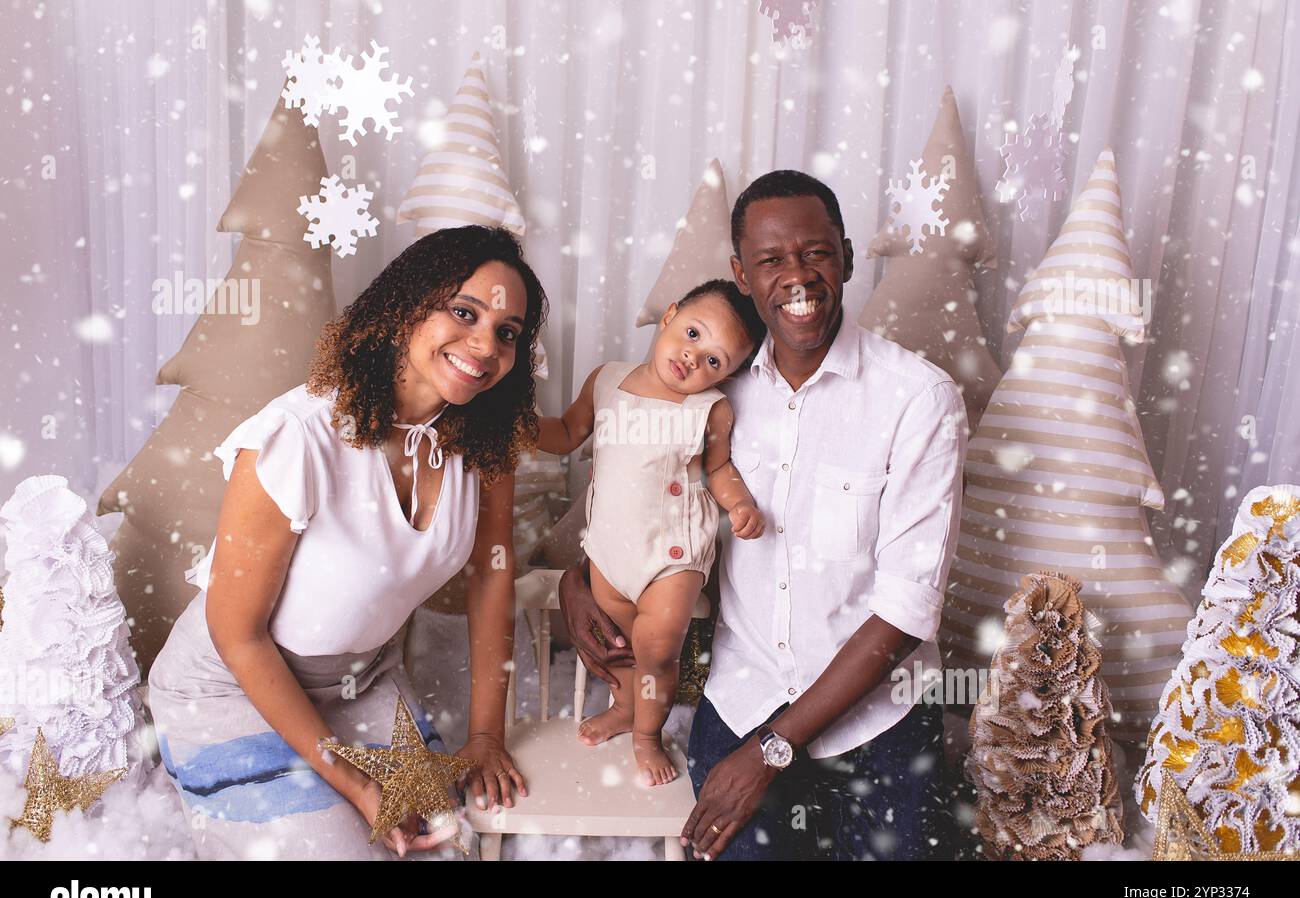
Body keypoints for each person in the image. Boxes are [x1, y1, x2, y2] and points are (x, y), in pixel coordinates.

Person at [559, 171, 967, 860]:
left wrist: (774, 749)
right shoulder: (714, 392)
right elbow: (643, 507)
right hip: (743, 699)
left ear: (845, 256)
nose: (797, 277)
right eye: (771, 260)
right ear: (740, 274)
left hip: (879, 721)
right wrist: (579, 580)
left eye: (816, 253)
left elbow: (905, 612)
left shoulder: (917, 399)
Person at [148, 226, 544, 859]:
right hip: (234, 683)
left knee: (444, 848)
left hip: (361, 681)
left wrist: (486, 734)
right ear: (406, 305)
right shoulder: (296, 436)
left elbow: (491, 577)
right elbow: (238, 637)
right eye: (464, 313)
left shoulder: (483, 446)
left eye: (508, 332)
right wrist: (357, 785)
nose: (485, 345)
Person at [534, 279, 766, 785]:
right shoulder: (607, 380)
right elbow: (569, 431)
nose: (693, 357)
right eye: (692, 333)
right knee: (617, 643)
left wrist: (741, 504)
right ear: (670, 315)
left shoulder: (709, 409)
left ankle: (647, 735)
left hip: (673, 554)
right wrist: (527, 427)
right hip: (610, 550)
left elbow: (719, 469)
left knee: (657, 649)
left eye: (714, 361)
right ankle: (624, 707)